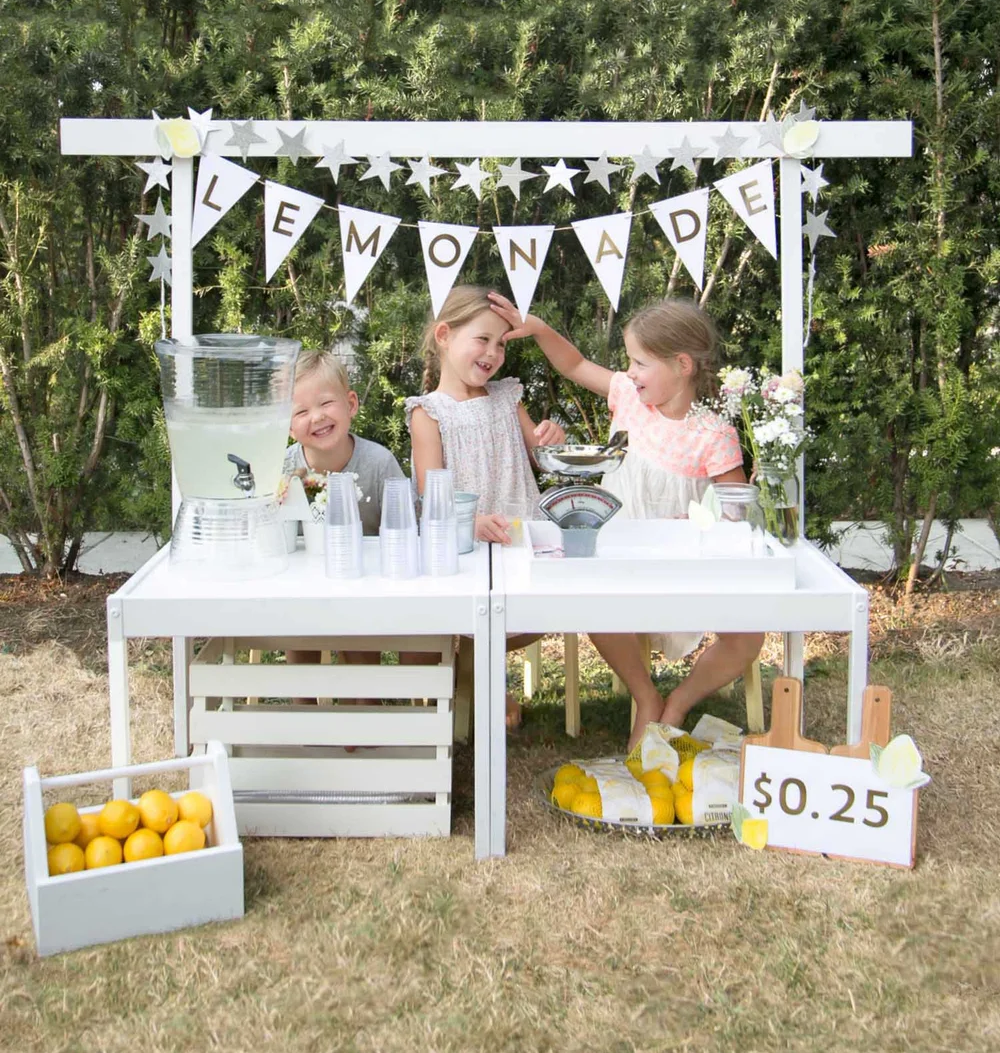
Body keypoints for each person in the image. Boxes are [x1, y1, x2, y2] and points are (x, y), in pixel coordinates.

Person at [490, 292, 765, 753]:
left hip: (682, 566)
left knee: (748, 635)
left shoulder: (713, 433)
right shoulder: (630, 401)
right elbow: (575, 365)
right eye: (629, 363)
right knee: (590, 601)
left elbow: (735, 509)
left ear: (682, 365)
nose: (630, 373)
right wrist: (538, 328)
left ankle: (678, 703)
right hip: (618, 556)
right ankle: (647, 695)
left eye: (640, 363)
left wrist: (702, 519)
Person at [405, 285, 567, 727]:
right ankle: (476, 685)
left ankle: (478, 676)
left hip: (516, 525)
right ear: (444, 335)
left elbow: (539, 455)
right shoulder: (429, 412)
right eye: (483, 339)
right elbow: (429, 491)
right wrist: (468, 522)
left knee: (533, 611)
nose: (494, 352)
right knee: (467, 610)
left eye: (500, 343)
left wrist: (551, 437)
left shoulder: (506, 396)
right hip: (466, 536)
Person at [284, 349, 403, 682]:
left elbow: (406, 525)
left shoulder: (379, 464)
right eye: (302, 411)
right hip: (303, 587)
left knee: (358, 622)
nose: (317, 417)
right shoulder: (283, 469)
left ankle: (363, 700)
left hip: (367, 582)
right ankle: (303, 703)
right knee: (298, 618)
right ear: (288, 425)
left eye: (325, 403)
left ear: (351, 404)